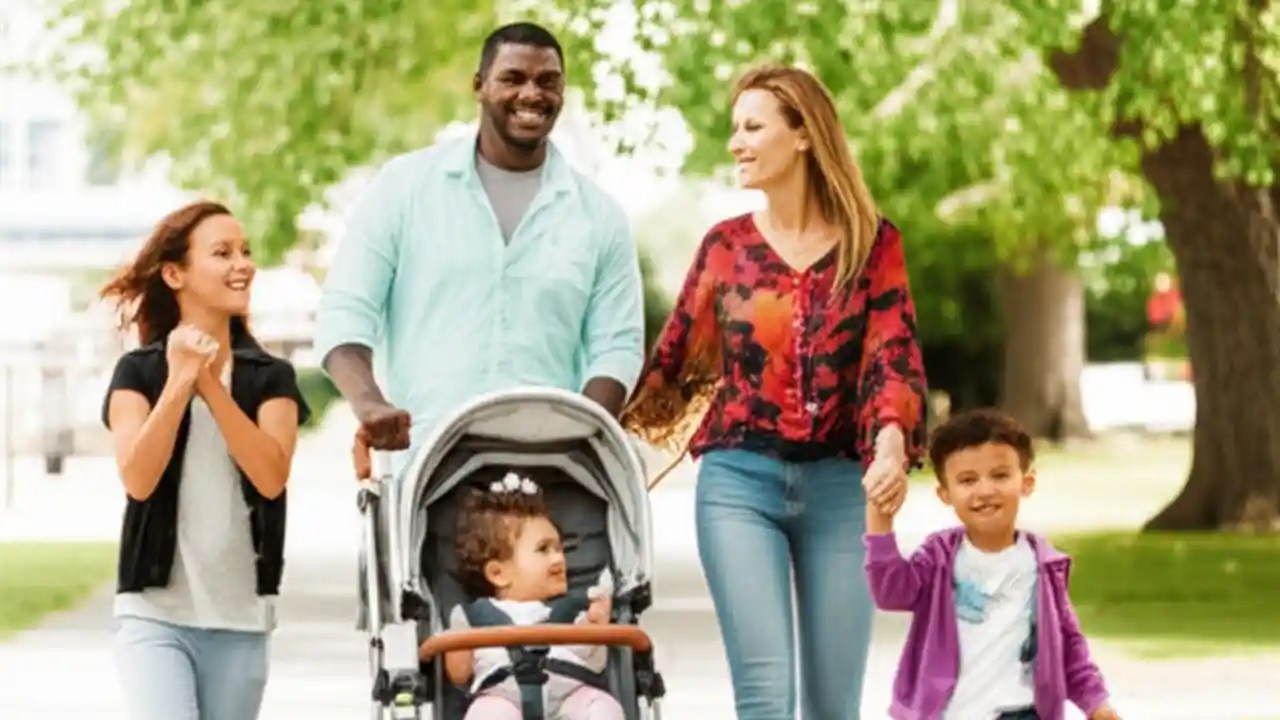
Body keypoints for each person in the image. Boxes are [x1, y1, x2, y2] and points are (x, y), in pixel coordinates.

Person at [621, 64, 928, 719]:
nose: (736, 142)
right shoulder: (725, 248)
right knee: (765, 699)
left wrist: (893, 441)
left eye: (753, 126)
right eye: (735, 128)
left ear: (804, 135)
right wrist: (601, 447)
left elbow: (892, 354)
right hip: (738, 486)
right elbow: (674, 369)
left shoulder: (873, 244)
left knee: (831, 706)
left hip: (842, 490)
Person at [315, 21, 645, 472]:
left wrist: (582, 437)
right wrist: (369, 404)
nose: (532, 93)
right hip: (426, 462)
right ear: (479, 85)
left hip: (550, 463)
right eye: (513, 78)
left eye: (548, 81)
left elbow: (618, 345)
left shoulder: (599, 215)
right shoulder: (404, 188)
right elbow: (345, 311)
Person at [99, 200, 311, 720]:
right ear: (175, 274)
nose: (243, 265)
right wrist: (178, 382)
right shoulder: (137, 374)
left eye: (245, 251)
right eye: (222, 253)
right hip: (154, 615)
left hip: (241, 620)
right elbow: (139, 480)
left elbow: (270, 476)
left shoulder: (272, 377)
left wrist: (212, 386)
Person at [864, 408, 1120, 720]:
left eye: (1000, 475)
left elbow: (1069, 650)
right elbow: (890, 593)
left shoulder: (1043, 565)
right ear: (945, 493)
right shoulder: (938, 557)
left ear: (1026, 483)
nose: (985, 490)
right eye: (967, 480)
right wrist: (880, 523)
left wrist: (1097, 704)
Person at [445, 473, 623, 719]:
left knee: (602, 708)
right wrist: (457, 648)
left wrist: (597, 625)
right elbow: (459, 674)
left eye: (560, 548)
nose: (559, 558)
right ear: (498, 573)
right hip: (502, 696)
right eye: (544, 549)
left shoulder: (574, 608)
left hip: (570, 695)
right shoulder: (474, 616)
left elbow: (594, 661)